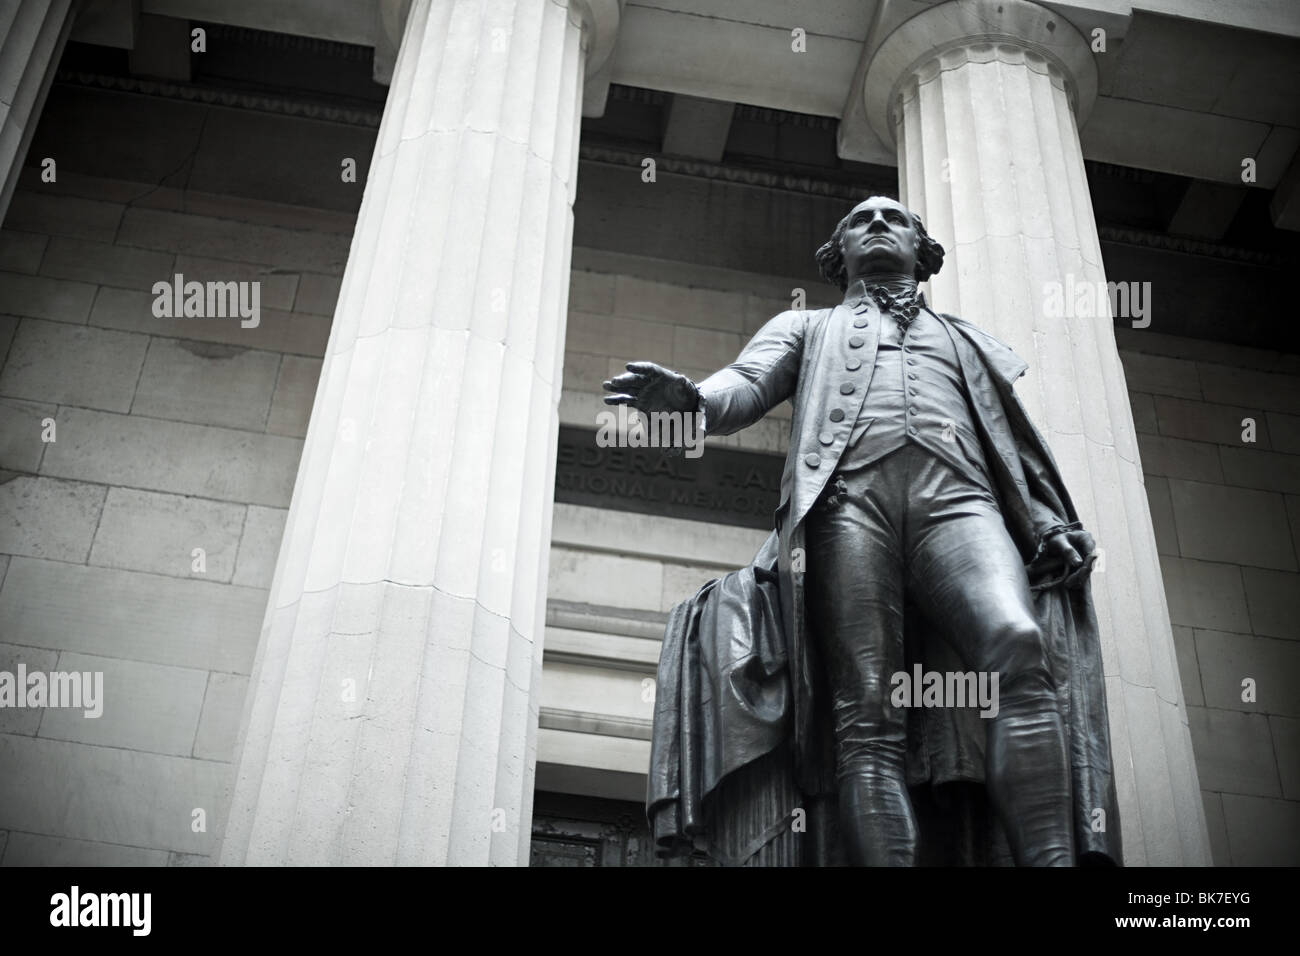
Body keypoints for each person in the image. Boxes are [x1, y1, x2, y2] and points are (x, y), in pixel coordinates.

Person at [606, 196, 1120, 866]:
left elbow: (1008, 445)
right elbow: (744, 384)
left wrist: (1046, 518)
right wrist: (694, 402)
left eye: (895, 218)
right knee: (867, 712)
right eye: (860, 219)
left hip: (958, 502)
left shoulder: (966, 341)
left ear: (924, 251)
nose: (877, 223)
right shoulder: (806, 328)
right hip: (850, 506)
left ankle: (1051, 861)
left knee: (1019, 646)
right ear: (837, 254)